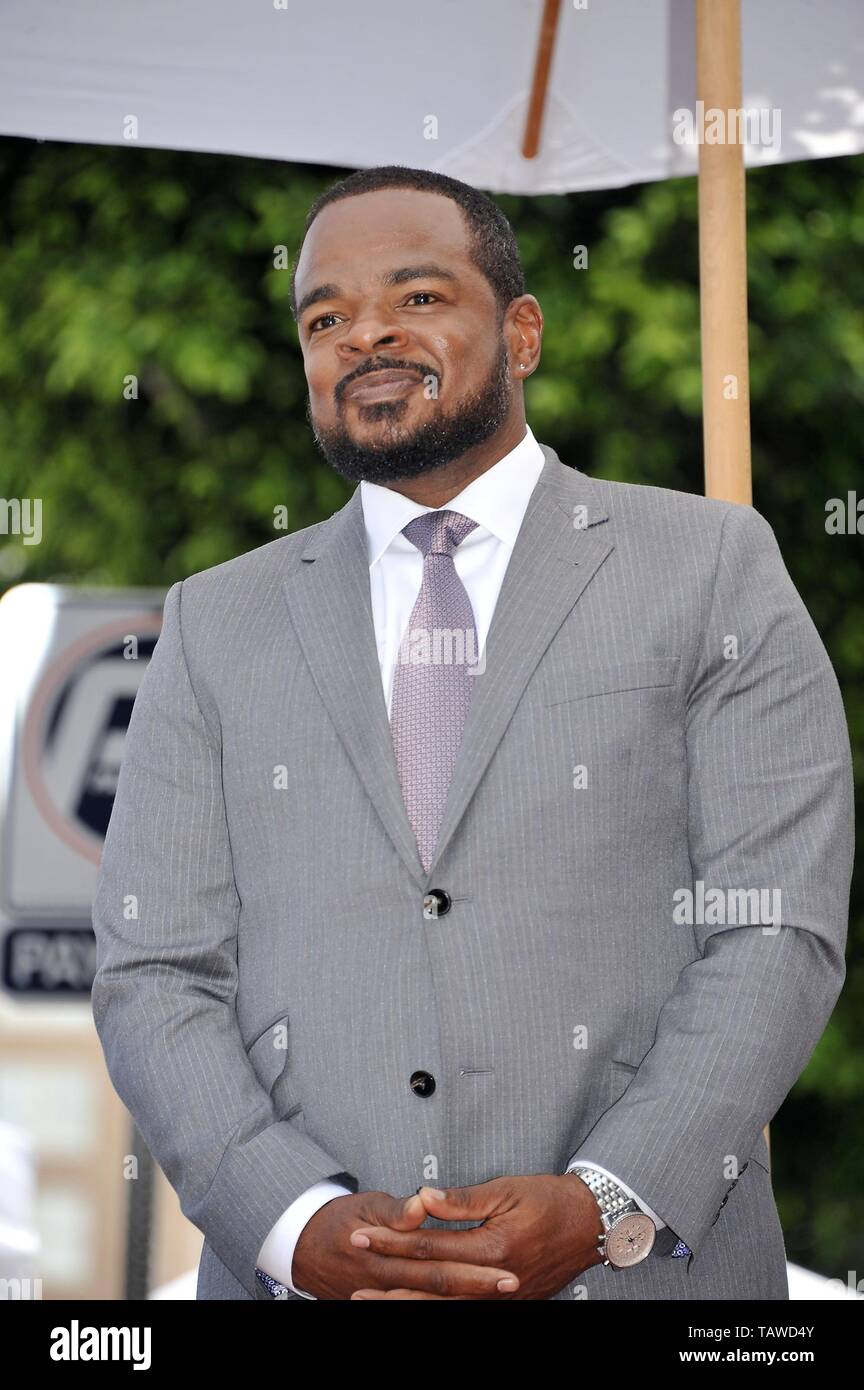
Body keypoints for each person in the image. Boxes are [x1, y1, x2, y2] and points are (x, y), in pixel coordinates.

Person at [91, 165, 854, 1300]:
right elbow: (155, 968)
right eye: (326, 317)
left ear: (524, 332)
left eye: (418, 297)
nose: (367, 336)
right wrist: (291, 1222)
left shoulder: (712, 569)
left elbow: (775, 929)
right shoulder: (215, 622)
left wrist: (608, 1202)